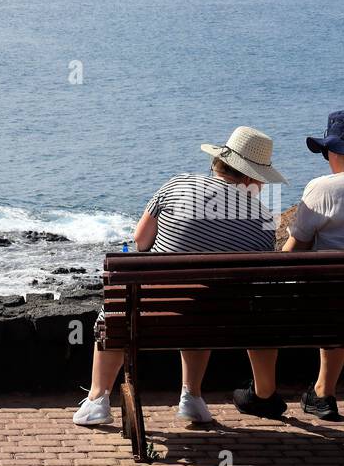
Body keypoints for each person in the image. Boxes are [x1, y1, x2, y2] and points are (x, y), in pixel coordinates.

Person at [74, 126, 286, 427]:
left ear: (220, 163)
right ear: (252, 177)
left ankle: (97, 399)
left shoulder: (178, 184)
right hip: (220, 319)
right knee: (203, 301)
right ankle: (191, 398)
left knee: (119, 311)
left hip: (152, 311)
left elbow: (141, 240)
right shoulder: (265, 218)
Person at [233, 110, 344, 421]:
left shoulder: (323, 187)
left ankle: (263, 395)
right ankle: (322, 394)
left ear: (334, 152)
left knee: (260, 301)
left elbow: (291, 253)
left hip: (330, 306)